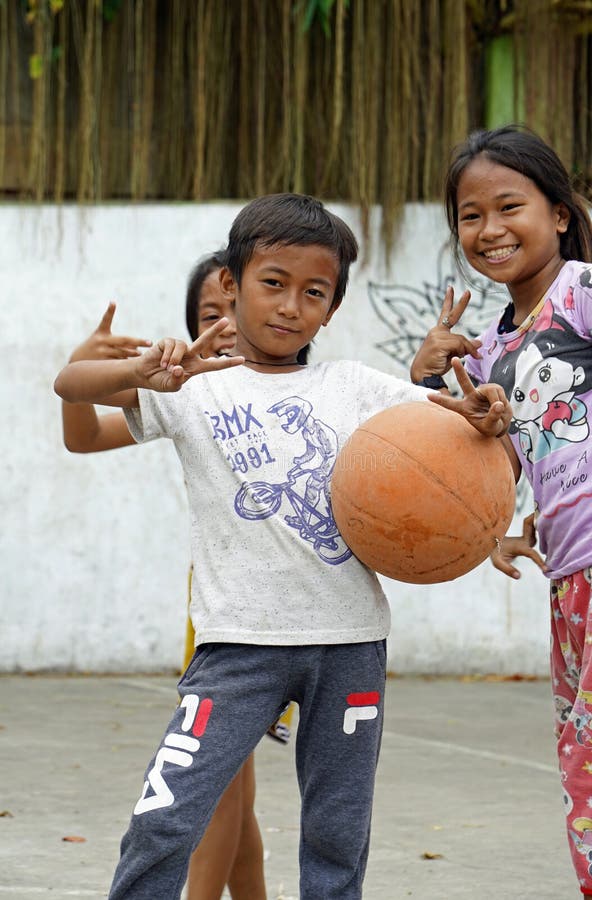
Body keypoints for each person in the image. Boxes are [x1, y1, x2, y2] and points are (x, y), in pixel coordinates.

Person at [54, 192, 511, 900]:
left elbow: (455, 423)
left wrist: (489, 415)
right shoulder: (190, 389)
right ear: (232, 286)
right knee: (165, 819)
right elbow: (68, 385)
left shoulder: (353, 387)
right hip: (237, 648)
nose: (291, 305)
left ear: (330, 309)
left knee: (337, 832)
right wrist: (130, 372)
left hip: (350, 642)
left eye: (314, 292)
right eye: (273, 283)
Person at [410, 124, 592, 897]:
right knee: (581, 757)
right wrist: (426, 379)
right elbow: (467, 458)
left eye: (508, 205)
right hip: (571, 578)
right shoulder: (484, 351)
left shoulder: (583, 292)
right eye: (470, 215)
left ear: (558, 212)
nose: (489, 229)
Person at [61, 252, 269, 900]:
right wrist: (85, 364)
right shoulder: (190, 396)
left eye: (240, 307)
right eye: (212, 313)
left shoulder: (302, 389)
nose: (227, 324)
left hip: (287, 608)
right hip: (215, 605)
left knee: (223, 777)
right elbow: (83, 435)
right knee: (232, 780)